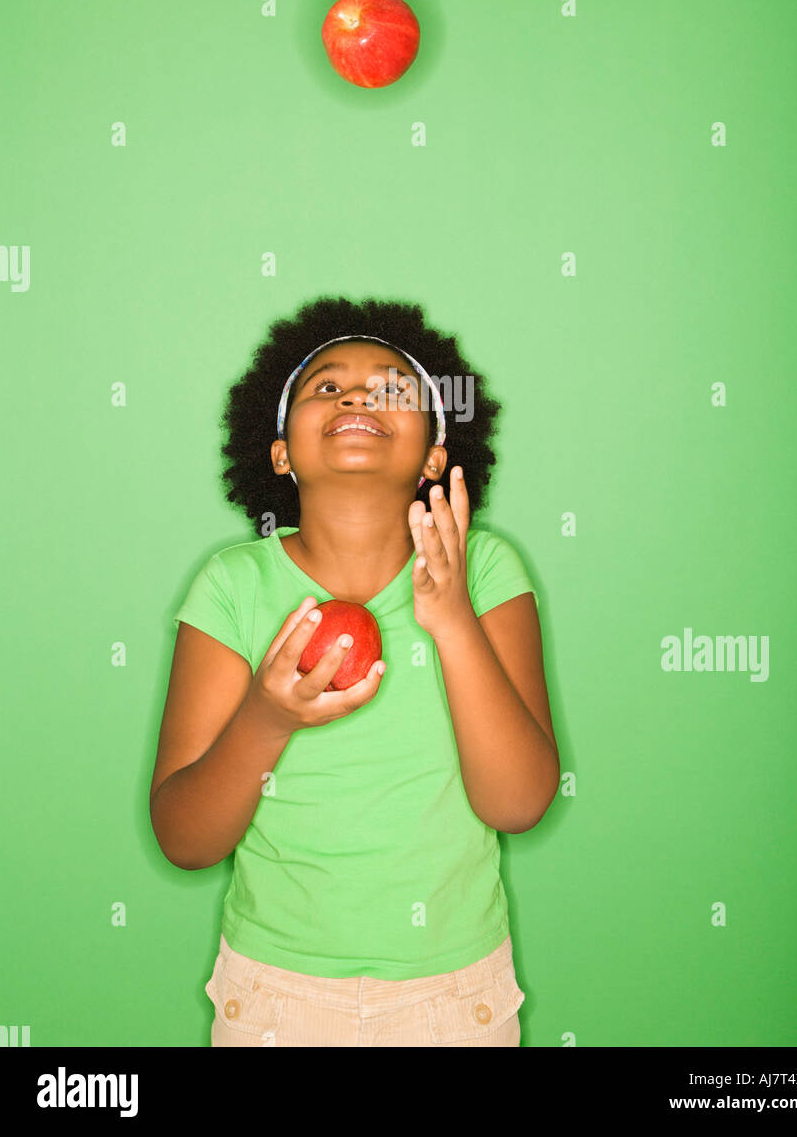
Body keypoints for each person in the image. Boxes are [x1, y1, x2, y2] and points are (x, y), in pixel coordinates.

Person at [149, 294, 559, 1046]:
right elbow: (185, 838)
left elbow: (519, 803)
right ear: (279, 451)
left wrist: (452, 620)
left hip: (454, 995)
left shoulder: (486, 571)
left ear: (437, 452)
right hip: (273, 997)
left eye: (394, 387)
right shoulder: (231, 586)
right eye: (325, 386)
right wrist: (268, 718)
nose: (358, 395)